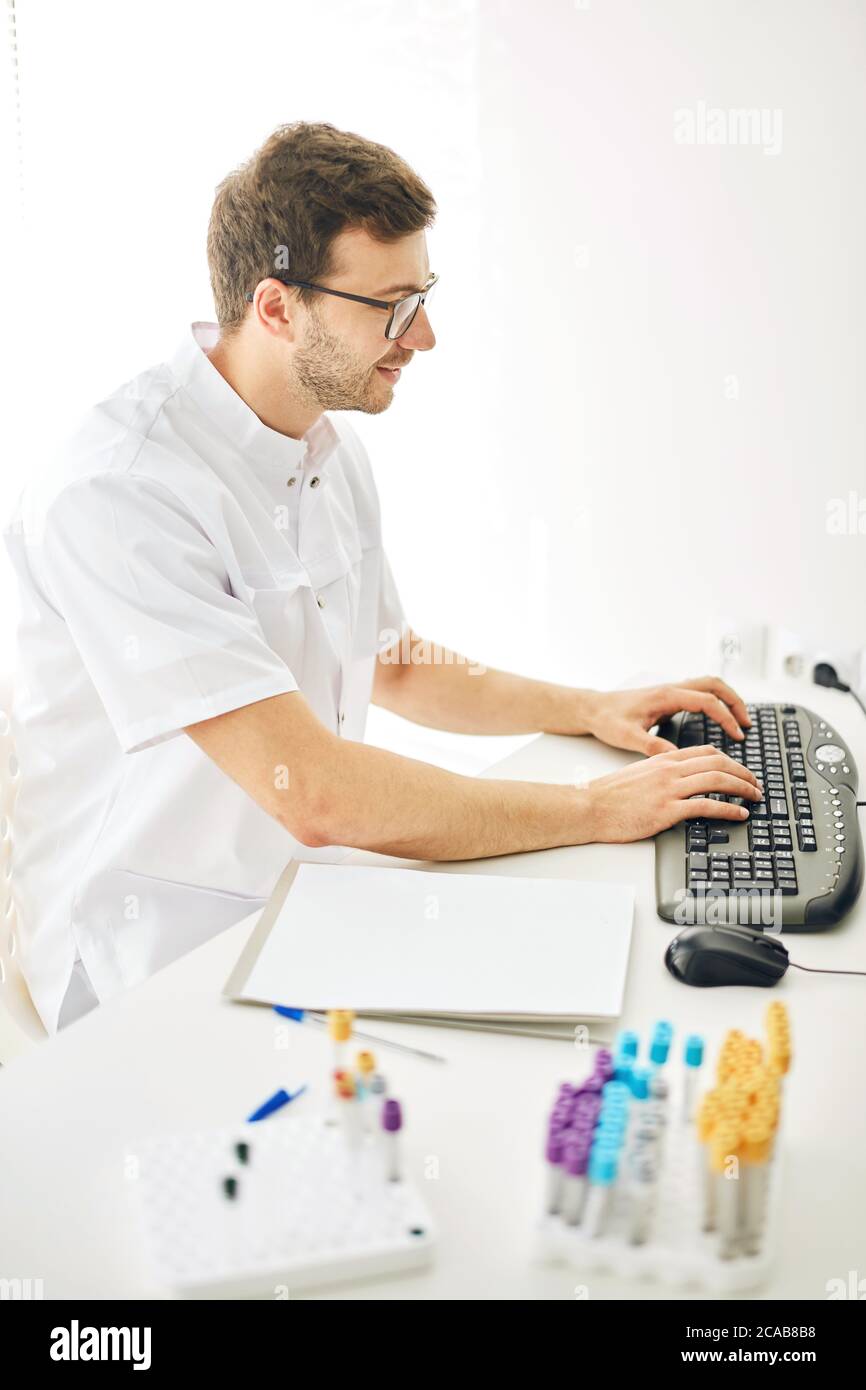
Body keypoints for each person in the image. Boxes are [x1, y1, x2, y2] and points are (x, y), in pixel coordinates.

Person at [3, 122, 760, 1035]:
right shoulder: (123, 494)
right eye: (394, 306)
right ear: (278, 307)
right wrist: (592, 809)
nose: (425, 336)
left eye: (424, 296)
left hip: (296, 904)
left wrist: (589, 706)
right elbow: (315, 792)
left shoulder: (324, 442)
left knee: (587, 990)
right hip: (147, 964)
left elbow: (392, 662)